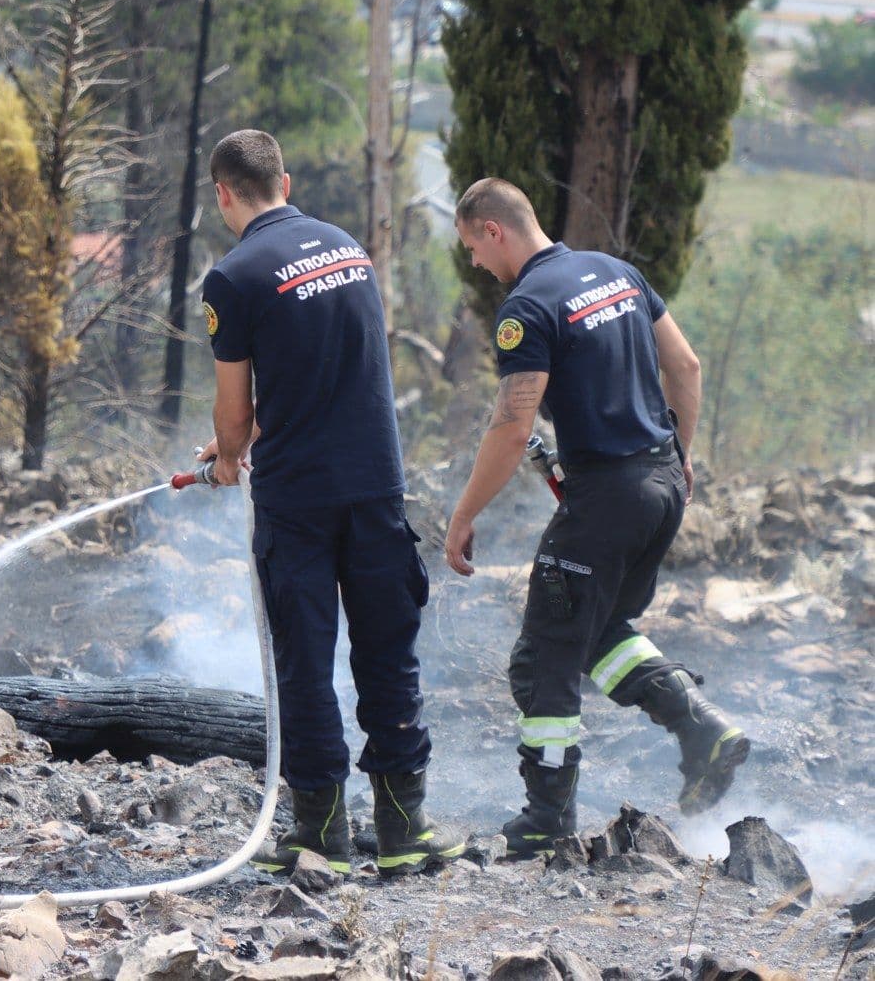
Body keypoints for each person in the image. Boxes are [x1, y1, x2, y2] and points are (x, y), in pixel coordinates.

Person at [441, 178, 750, 857]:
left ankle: (546, 817)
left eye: (470, 246)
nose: (473, 263)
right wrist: (682, 454)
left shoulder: (526, 307)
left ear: (493, 230)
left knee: (539, 660)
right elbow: (687, 367)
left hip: (606, 500)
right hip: (662, 483)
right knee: (598, 629)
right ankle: (700, 727)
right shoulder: (617, 272)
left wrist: (463, 514)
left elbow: (510, 426)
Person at [197, 129, 462, 878]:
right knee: (387, 655)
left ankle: (320, 839)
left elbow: (233, 409)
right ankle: (406, 830)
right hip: (376, 485)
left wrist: (223, 459)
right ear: (284, 178)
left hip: (299, 502)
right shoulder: (346, 247)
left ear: (223, 194)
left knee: (306, 664)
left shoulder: (233, 276)